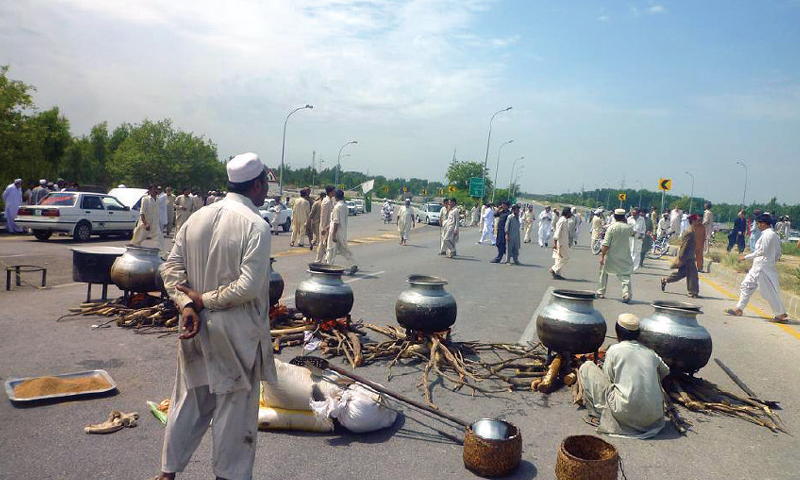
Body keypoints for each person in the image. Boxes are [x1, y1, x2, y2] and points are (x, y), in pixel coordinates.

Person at [155, 152, 277, 480]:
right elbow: (249, 287)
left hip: (193, 327)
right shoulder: (256, 225)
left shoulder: (196, 218)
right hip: (236, 334)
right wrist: (203, 300)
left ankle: (167, 474)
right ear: (256, 184)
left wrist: (188, 305)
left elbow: (170, 268)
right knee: (233, 414)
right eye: (264, 182)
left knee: (188, 402)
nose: (265, 188)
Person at [577, 314, 670, 439]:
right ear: (638, 334)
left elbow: (608, 378)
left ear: (617, 333)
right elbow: (665, 371)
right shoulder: (651, 353)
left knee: (587, 366)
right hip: (652, 418)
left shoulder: (615, 350)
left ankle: (596, 415)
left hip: (624, 413)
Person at [725, 213, 789, 323]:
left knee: (768, 291)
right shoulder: (774, 235)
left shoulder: (767, 235)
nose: (758, 225)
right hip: (762, 265)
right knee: (746, 286)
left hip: (762, 267)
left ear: (764, 224)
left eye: (759, 223)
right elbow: (778, 253)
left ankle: (780, 314)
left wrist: (745, 257)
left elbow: (761, 252)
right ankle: (739, 308)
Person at [597, 209, 634, 302]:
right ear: (624, 217)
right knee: (625, 276)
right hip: (624, 256)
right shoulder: (628, 228)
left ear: (614, 216)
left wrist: (602, 257)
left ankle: (601, 291)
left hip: (611, 256)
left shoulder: (611, 228)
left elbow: (605, 244)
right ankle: (626, 293)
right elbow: (633, 234)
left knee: (604, 272)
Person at [661, 214, 699, 298]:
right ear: (692, 221)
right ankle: (692, 292)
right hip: (687, 257)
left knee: (681, 274)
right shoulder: (689, 232)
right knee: (693, 274)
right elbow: (683, 246)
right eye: (697, 220)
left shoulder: (692, 231)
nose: (698, 222)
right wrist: (681, 257)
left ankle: (665, 280)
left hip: (690, 257)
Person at [325, 189, 358, 274]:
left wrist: (333, 235)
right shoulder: (344, 206)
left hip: (336, 231)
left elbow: (336, 222)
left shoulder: (337, 207)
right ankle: (353, 263)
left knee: (331, 249)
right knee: (344, 250)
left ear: (335, 197)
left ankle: (328, 266)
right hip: (342, 232)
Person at [130, 185, 168, 258]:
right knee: (137, 239)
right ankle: (131, 253)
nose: (155, 191)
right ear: (150, 191)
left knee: (159, 240)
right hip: (145, 224)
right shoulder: (145, 199)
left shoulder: (157, 199)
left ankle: (163, 256)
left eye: (156, 190)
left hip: (155, 224)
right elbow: (142, 212)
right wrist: (146, 223)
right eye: (154, 189)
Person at [550, 206, 572, 278]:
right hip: (561, 244)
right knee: (566, 257)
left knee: (558, 259)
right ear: (567, 213)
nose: (571, 214)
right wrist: (555, 242)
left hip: (563, 242)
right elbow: (557, 232)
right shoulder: (562, 221)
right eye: (570, 213)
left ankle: (557, 274)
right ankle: (554, 269)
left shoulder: (565, 220)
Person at [315, 186, 335, 263]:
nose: (334, 193)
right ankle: (318, 260)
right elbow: (323, 216)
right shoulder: (326, 202)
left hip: (328, 226)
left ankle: (326, 259)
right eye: (333, 191)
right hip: (325, 226)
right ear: (330, 192)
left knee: (326, 244)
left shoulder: (329, 201)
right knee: (322, 243)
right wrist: (324, 228)